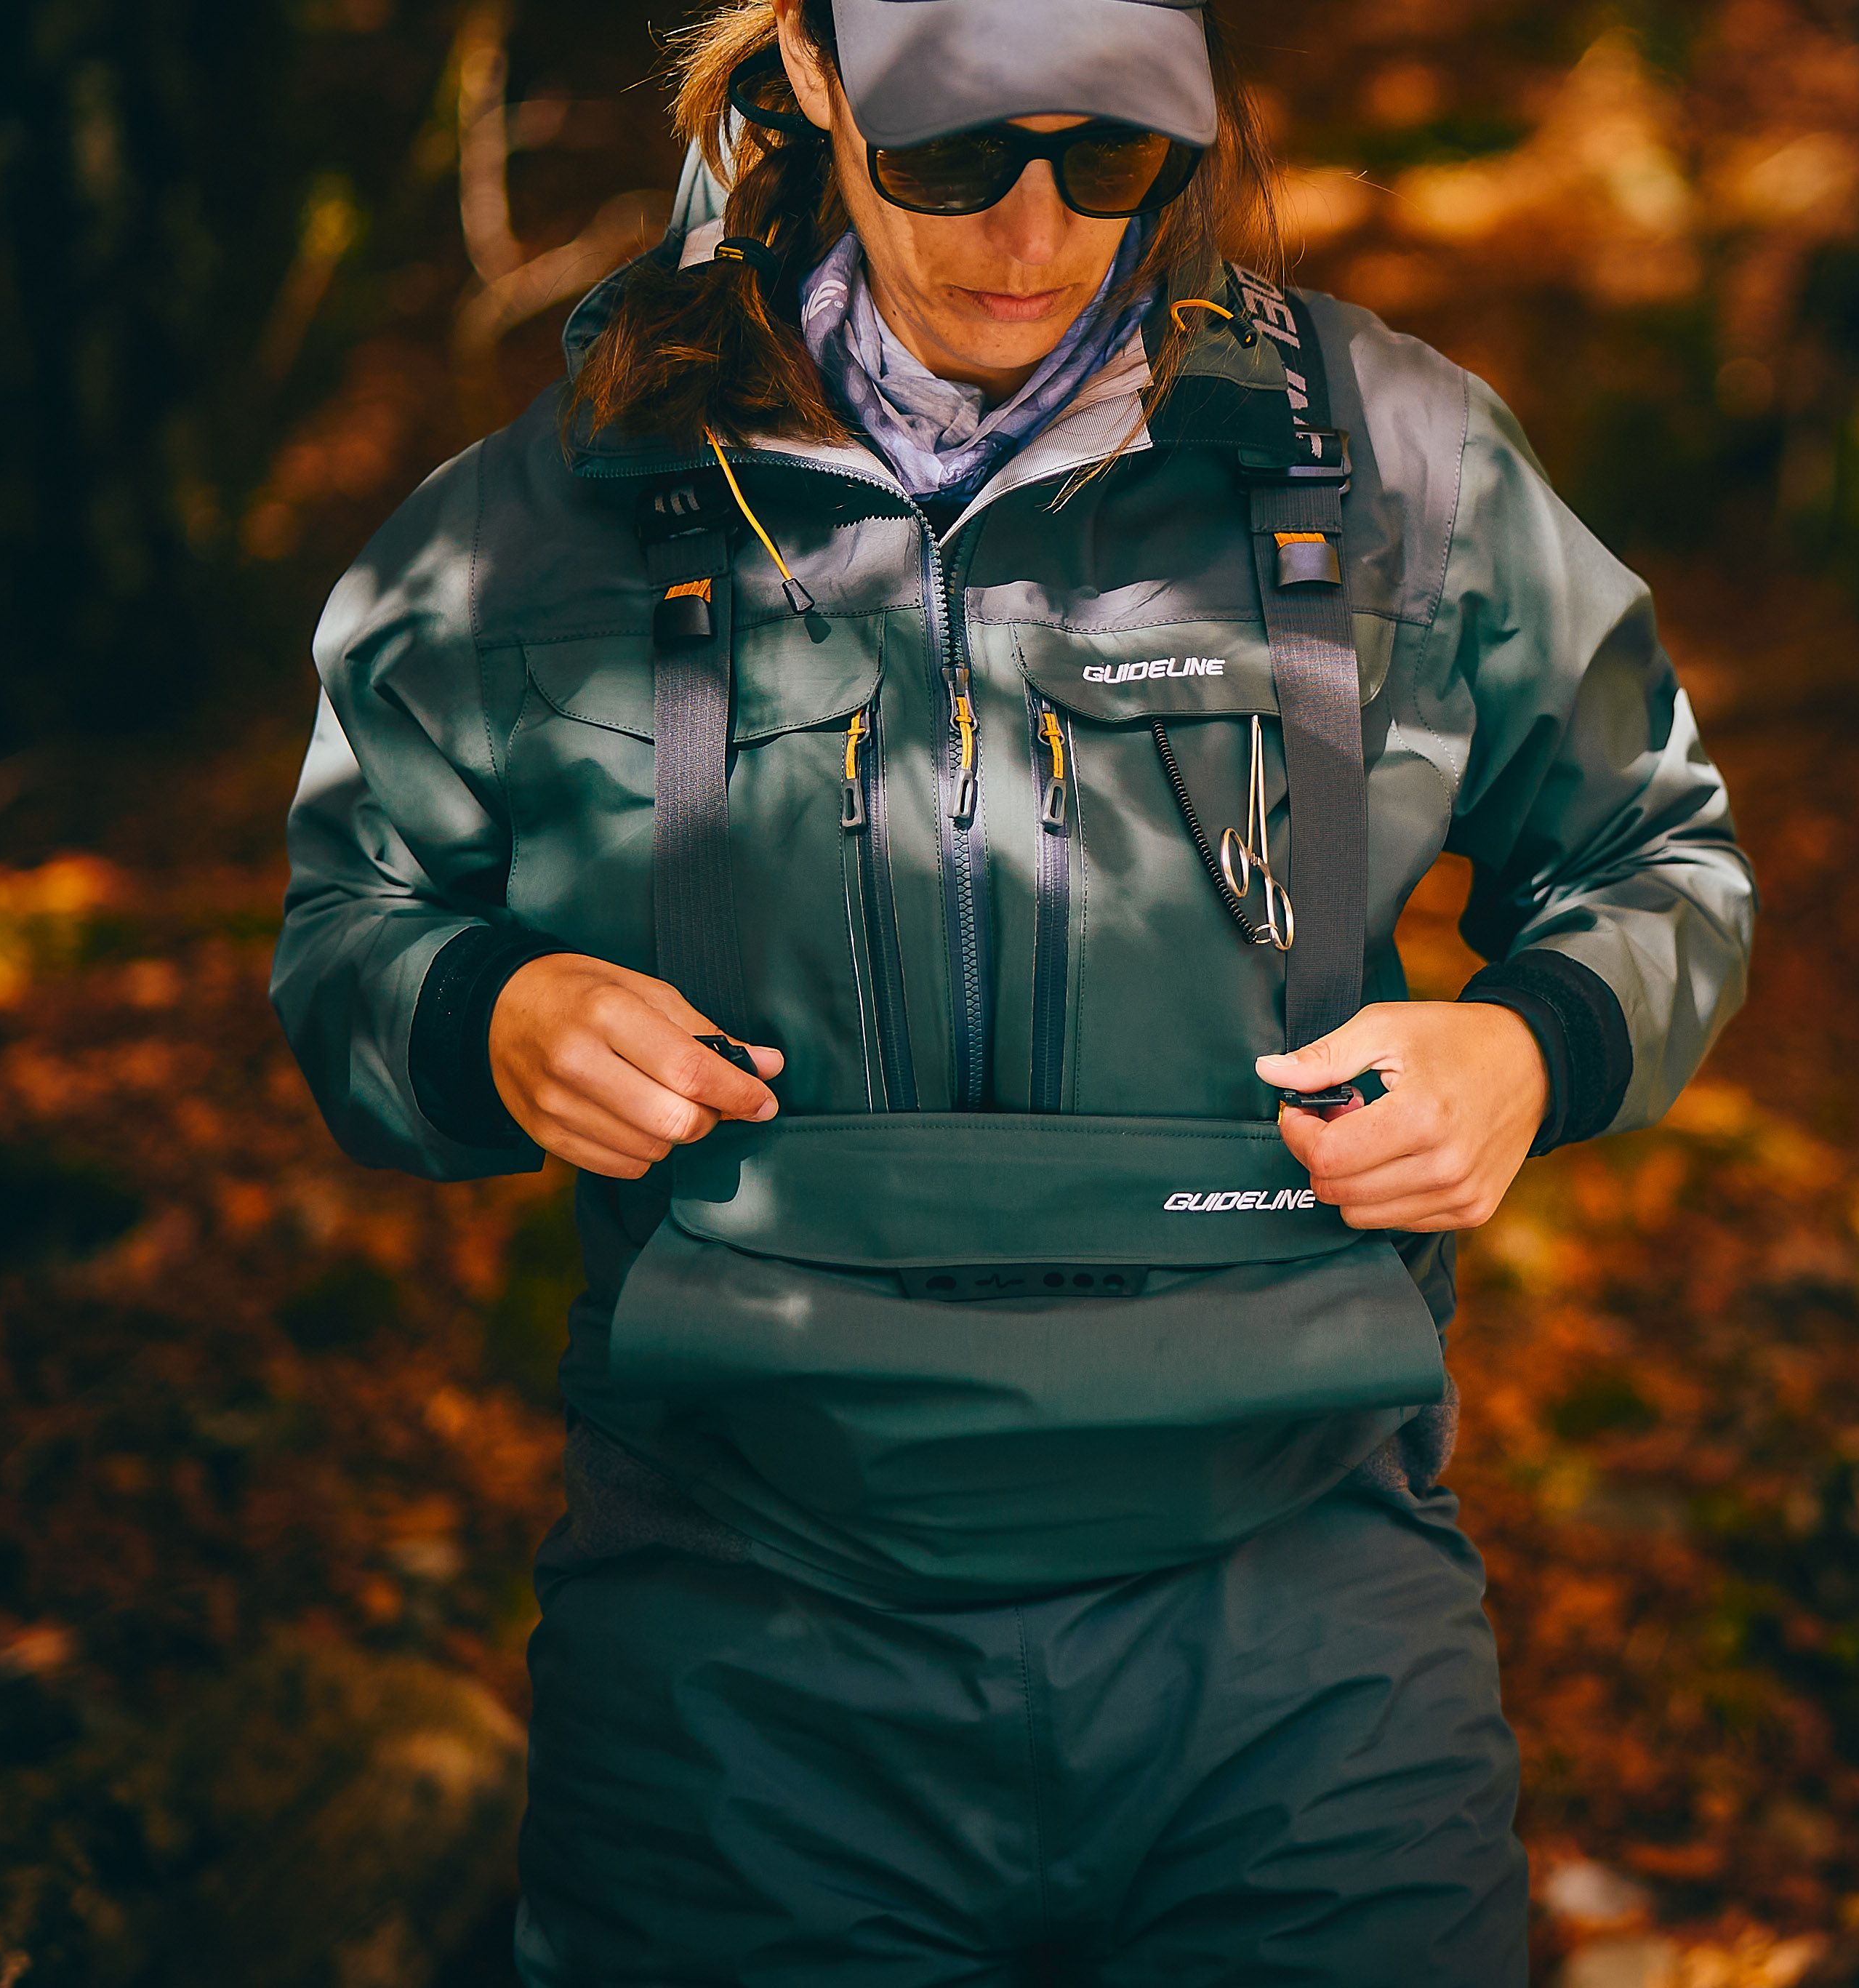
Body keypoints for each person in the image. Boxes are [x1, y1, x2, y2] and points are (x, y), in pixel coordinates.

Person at [270, 0, 1757, 1979]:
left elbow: (1659, 849)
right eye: (958, 157)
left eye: (1114, 158)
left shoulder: (1401, 463)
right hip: (742, 1655)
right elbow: (353, 923)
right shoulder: (556, 511)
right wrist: (489, 1016)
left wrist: (1532, 1044)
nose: (1036, 230)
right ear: (810, 75)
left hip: (1304, 1647)